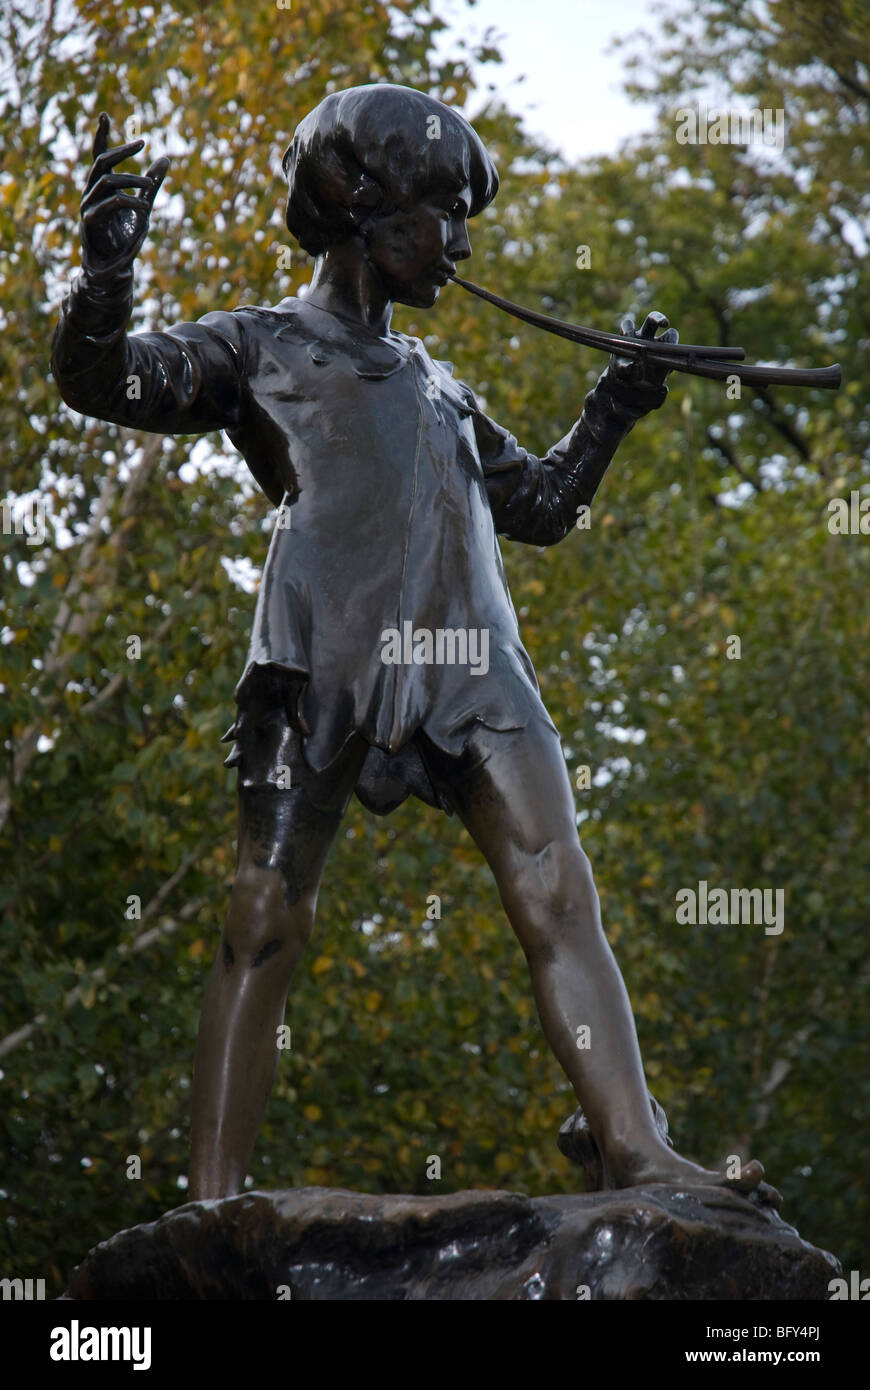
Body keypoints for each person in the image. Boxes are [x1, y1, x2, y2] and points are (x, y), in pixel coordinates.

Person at [52, 86, 770, 1203]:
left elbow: (539, 508)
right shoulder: (262, 346)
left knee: (558, 887)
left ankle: (635, 1146)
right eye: (447, 211)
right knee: (266, 914)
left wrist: (614, 408)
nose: (465, 243)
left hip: (475, 661)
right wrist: (106, 281)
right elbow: (102, 379)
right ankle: (212, 1202)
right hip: (319, 650)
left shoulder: (445, 389)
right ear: (363, 206)